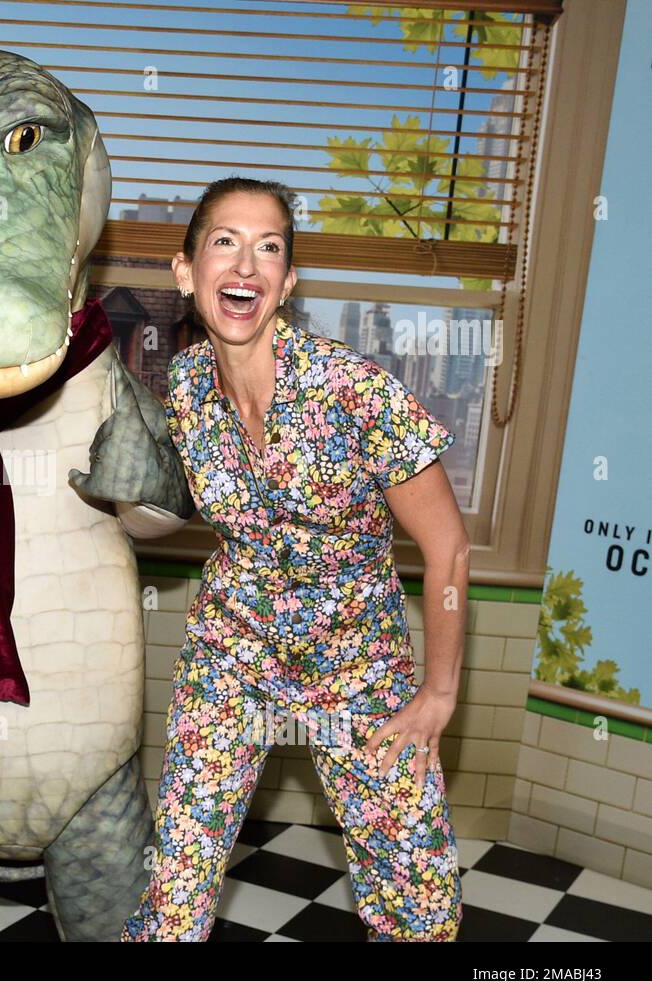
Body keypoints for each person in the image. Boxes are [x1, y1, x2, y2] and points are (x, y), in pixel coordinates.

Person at [121, 177, 470, 942]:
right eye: (225, 242)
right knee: (173, 886)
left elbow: (446, 547)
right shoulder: (184, 386)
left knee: (416, 901)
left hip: (359, 665)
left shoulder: (354, 393)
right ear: (186, 273)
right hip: (232, 651)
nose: (246, 265)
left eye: (268, 248)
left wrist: (440, 693)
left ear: (287, 283)